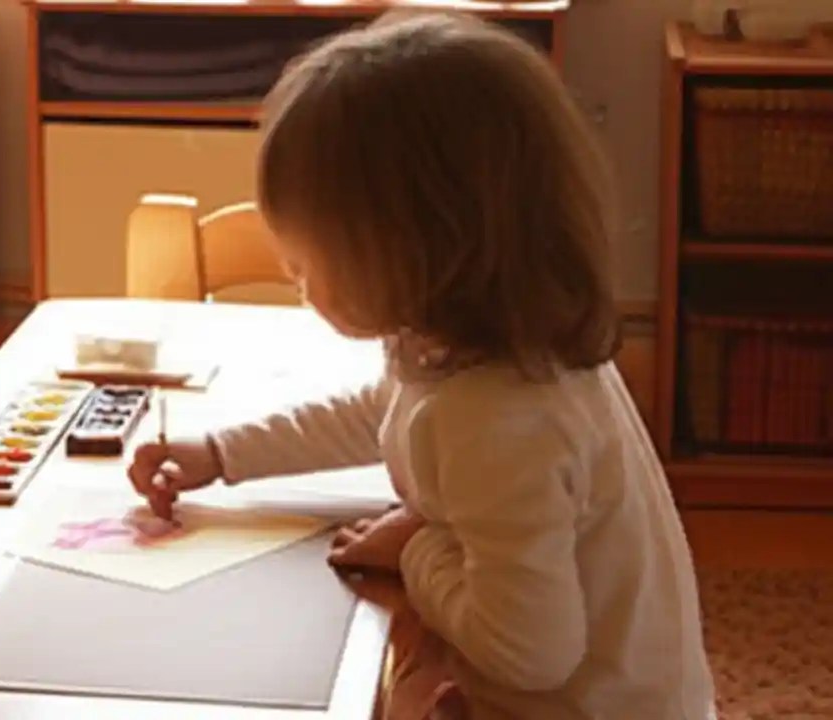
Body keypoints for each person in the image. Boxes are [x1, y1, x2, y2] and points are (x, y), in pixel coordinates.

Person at [126, 12, 715, 720]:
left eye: (311, 265)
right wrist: (220, 454)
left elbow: (529, 652)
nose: (301, 284)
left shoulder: (501, 420)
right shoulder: (476, 341)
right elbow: (383, 411)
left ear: (417, 249)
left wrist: (421, 549)